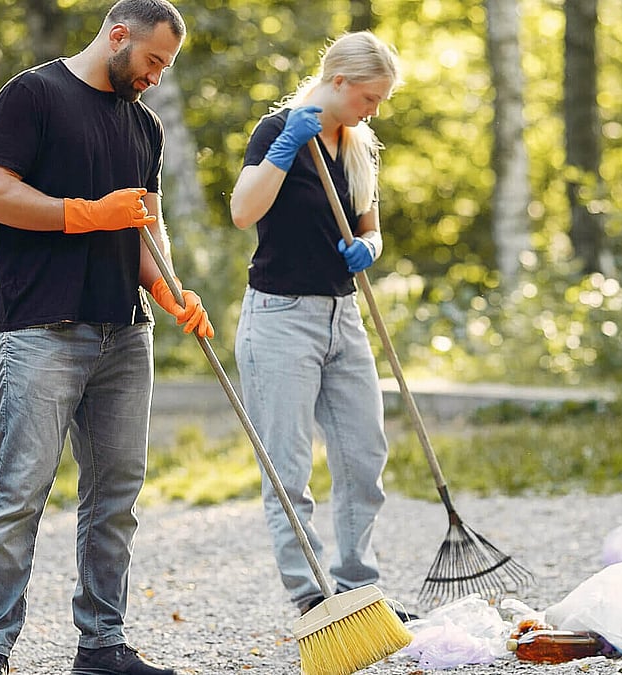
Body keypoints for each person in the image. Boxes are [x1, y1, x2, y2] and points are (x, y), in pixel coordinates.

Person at [0, 2, 211, 674]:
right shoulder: (33, 95)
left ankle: (102, 644)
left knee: (114, 497)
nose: (157, 76)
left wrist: (171, 290)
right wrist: (83, 214)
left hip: (126, 334)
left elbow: (145, 230)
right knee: (20, 490)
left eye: (167, 66)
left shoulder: (145, 125)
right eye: (153, 60)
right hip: (43, 329)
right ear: (118, 34)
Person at [228, 32, 409, 619]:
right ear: (337, 82)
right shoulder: (279, 131)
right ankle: (313, 598)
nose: (374, 109)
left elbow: (369, 224)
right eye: (369, 97)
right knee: (289, 468)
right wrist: (283, 151)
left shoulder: (359, 145)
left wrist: (371, 246)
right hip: (279, 319)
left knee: (363, 456)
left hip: (343, 314)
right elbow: (242, 213)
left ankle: (358, 588)